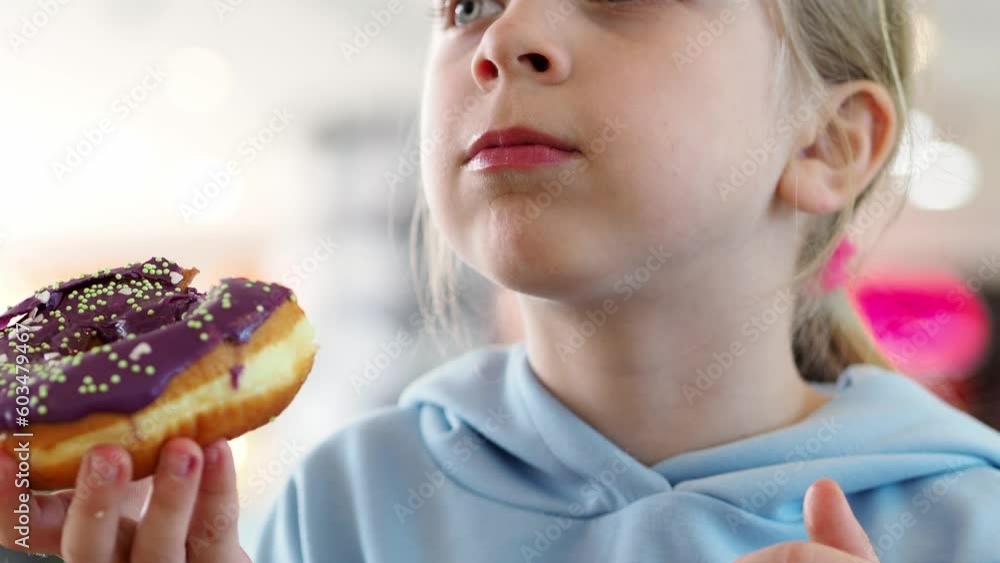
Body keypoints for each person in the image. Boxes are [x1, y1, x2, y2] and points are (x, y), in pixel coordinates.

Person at [3, 1, 999, 561]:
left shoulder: (968, 521)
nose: (501, 38)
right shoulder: (346, 497)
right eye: (470, 2)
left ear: (828, 140)